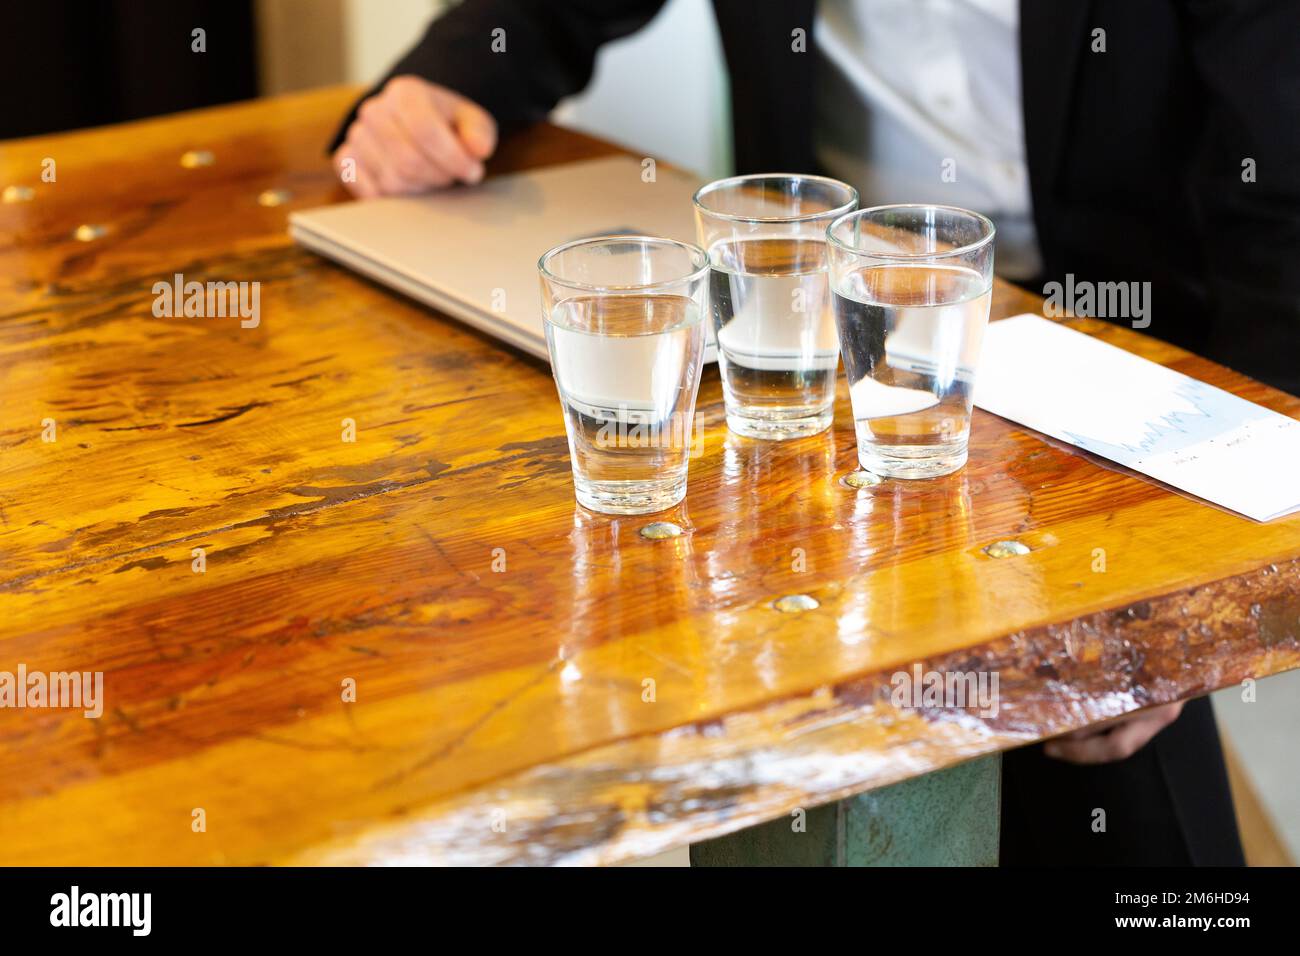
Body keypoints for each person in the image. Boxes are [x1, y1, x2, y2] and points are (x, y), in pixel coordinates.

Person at [330, 0, 1299, 865]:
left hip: (1103, 346)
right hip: (811, 337)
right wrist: (438, 89)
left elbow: (1282, 212)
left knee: (1108, 733)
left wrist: (1198, 548)